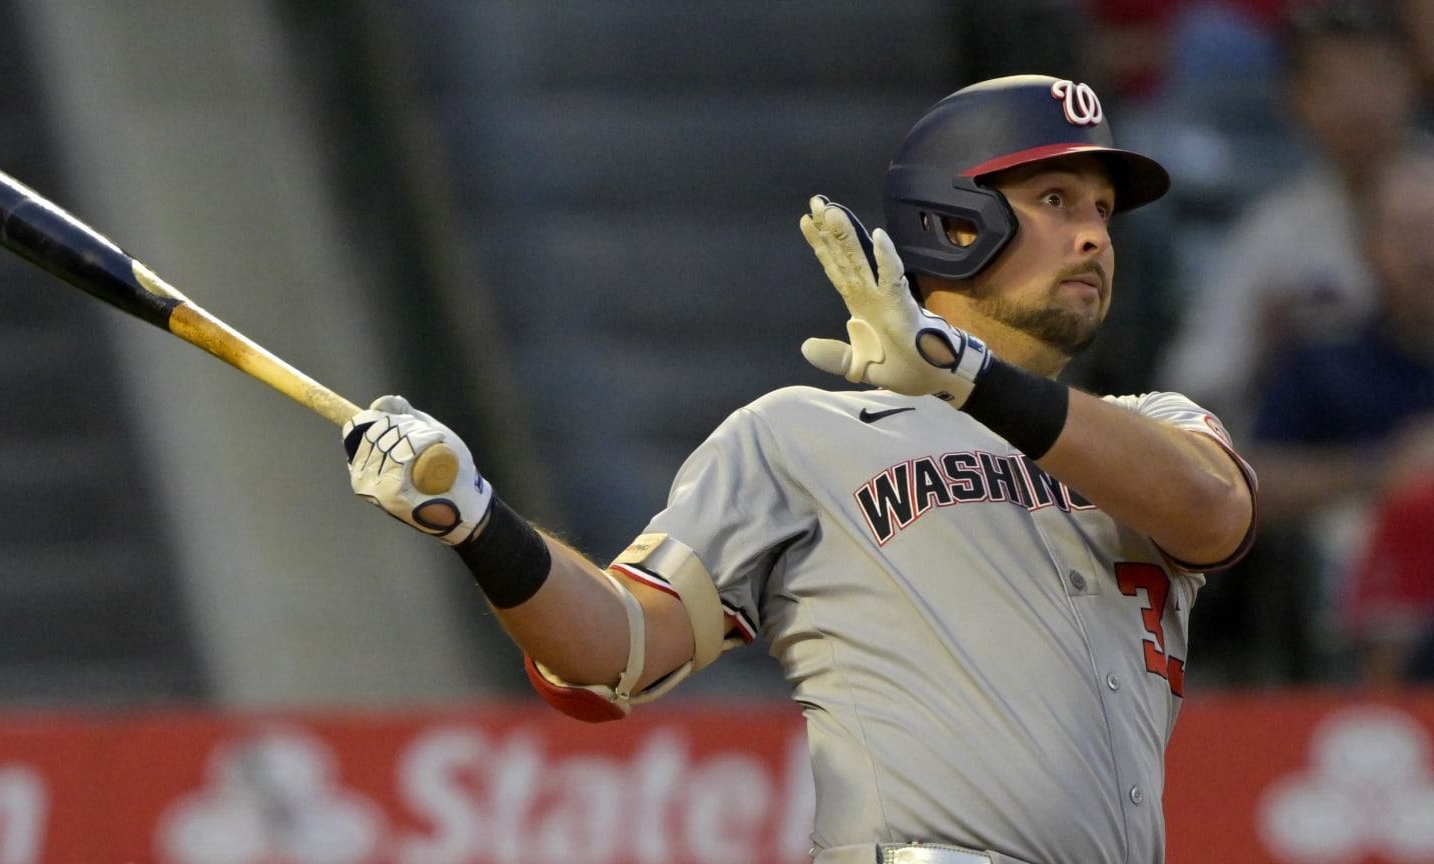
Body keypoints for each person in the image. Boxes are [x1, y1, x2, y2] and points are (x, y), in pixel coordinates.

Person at [342, 76, 1257, 864]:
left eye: (1102, 211)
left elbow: (1214, 514)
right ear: (955, 218)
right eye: (1056, 200)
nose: (1095, 236)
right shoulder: (802, 436)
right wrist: (474, 517)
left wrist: (966, 375)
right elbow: (610, 657)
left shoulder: (1155, 431)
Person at [1156, 0, 1425, 430]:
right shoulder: (1271, 231)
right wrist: (1263, 349)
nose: (1359, 100)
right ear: (1294, 98)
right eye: (1335, 81)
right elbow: (1192, 384)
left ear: (1413, 80)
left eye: (1375, 72)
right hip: (1319, 465)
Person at [1249, 150, 1434, 685]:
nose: (1425, 253)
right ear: (1368, 249)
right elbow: (1254, 482)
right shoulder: (1321, 360)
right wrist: (1383, 470)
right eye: (1405, 233)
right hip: (1357, 614)